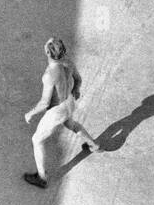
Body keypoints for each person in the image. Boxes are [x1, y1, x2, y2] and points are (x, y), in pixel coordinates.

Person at [22, 37, 100, 188]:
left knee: (36, 140)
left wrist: (30, 113)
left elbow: (45, 102)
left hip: (56, 110)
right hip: (69, 101)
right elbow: (78, 79)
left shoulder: (49, 75)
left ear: (47, 52)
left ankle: (42, 177)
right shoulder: (68, 63)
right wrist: (76, 90)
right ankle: (93, 145)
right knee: (71, 124)